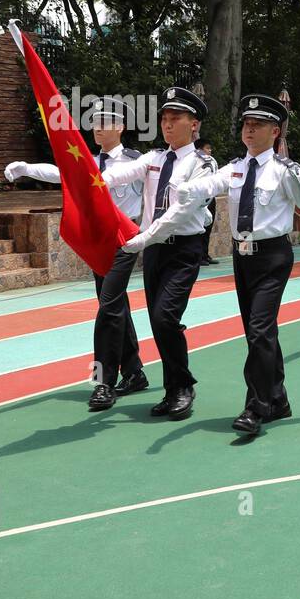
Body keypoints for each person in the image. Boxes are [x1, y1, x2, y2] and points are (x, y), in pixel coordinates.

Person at [123, 94, 300, 435]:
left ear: (275, 131)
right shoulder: (235, 168)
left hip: (273, 256)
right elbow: (211, 183)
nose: (249, 130)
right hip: (242, 256)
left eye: (257, 125)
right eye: (246, 124)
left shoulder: (285, 171)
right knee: (257, 332)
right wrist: (188, 188)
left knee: (260, 329)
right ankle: (277, 398)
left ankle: (256, 407)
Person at [4, 97, 148, 410]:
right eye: (95, 122)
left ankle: (104, 382)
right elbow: (62, 173)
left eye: (106, 122)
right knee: (114, 305)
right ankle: (134, 371)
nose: (97, 127)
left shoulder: (136, 161)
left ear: (120, 127)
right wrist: (28, 168)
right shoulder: (89, 160)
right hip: (99, 241)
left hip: (125, 239)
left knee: (109, 306)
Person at [100, 86, 217, 420]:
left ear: (193, 124)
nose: (167, 124)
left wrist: (143, 237)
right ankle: (171, 391)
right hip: (154, 253)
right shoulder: (153, 159)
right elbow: (109, 176)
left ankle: (183, 387)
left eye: (175, 118)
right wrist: (58, 173)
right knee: (157, 321)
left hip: (182, 249)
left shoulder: (202, 164)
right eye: (164, 118)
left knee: (166, 317)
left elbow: (180, 212)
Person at [197, 138, 220, 265]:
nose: (210, 151)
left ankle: (205, 255)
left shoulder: (212, 161)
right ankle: (198, 256)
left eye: (210, 148)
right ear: (200, 149)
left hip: (211, 198)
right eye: (207, 148)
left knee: (208, 227)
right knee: (199, 228)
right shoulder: (194, 162)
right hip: (200, 200)